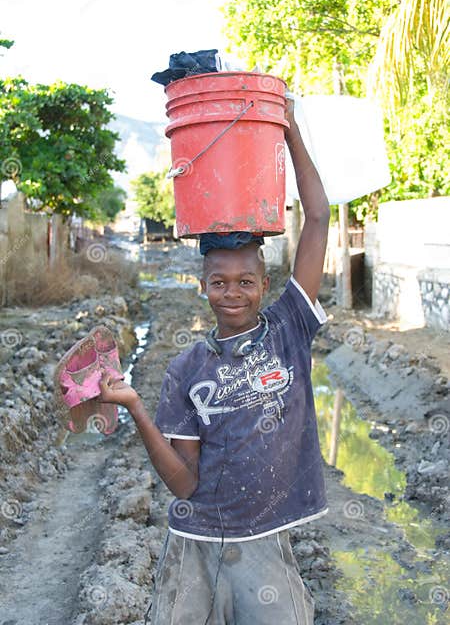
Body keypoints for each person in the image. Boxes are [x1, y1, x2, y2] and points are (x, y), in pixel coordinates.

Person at [98, 97, 330, 624]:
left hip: (265, 542)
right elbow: (184, 484)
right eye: (219, 283)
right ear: (202, 287)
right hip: (194, 544)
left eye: (246, 282)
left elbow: (317, 218)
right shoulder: (187, 369)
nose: (233, 293)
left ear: (264, 285)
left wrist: (289, 130)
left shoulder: (289, 328)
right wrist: (135, 406)